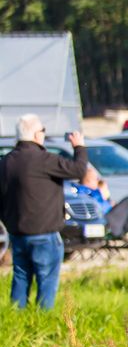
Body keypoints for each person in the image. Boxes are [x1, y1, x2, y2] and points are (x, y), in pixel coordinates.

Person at [0, 116, 88, 309]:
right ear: (36, 134)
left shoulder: (7, 162)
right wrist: (79, 147)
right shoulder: (44, 160)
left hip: (18, 234)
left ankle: (16, 318)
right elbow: (79, 170)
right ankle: (43, 322)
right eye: (43, 130)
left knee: (21, 278)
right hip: (44, 234)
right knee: (46, 282)